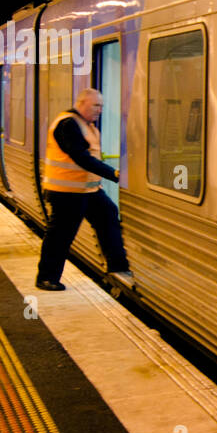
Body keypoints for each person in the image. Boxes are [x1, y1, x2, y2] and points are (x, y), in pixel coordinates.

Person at [35, 88, 132, 291]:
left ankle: (118, 265)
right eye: (96, 105)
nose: (100, 110)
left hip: (87, 191)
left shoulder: (88, 126)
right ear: (82, 104)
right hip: (66, 193)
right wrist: (114, 174)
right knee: (60, 236)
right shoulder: (68, 124)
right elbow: (81, 157)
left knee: (108, 215)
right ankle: (46, 277)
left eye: (102, 106)